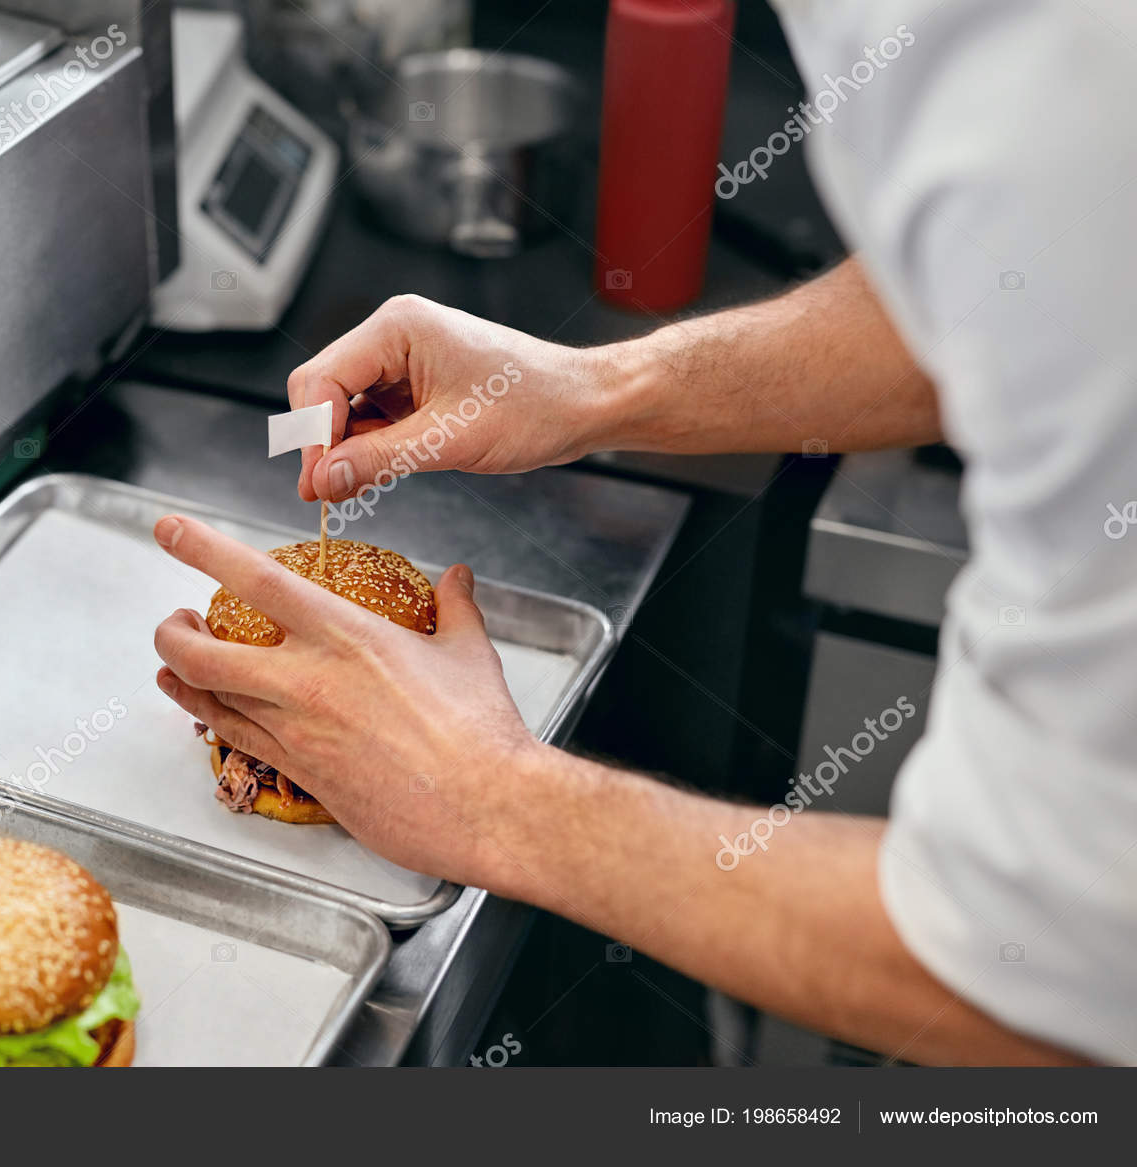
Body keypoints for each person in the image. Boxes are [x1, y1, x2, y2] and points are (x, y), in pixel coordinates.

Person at [150, 0, 1135, 1066]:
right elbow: (999, 284)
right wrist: (593, 388)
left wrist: (495, 800)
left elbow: (1039, 966)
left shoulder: (1047, 57)